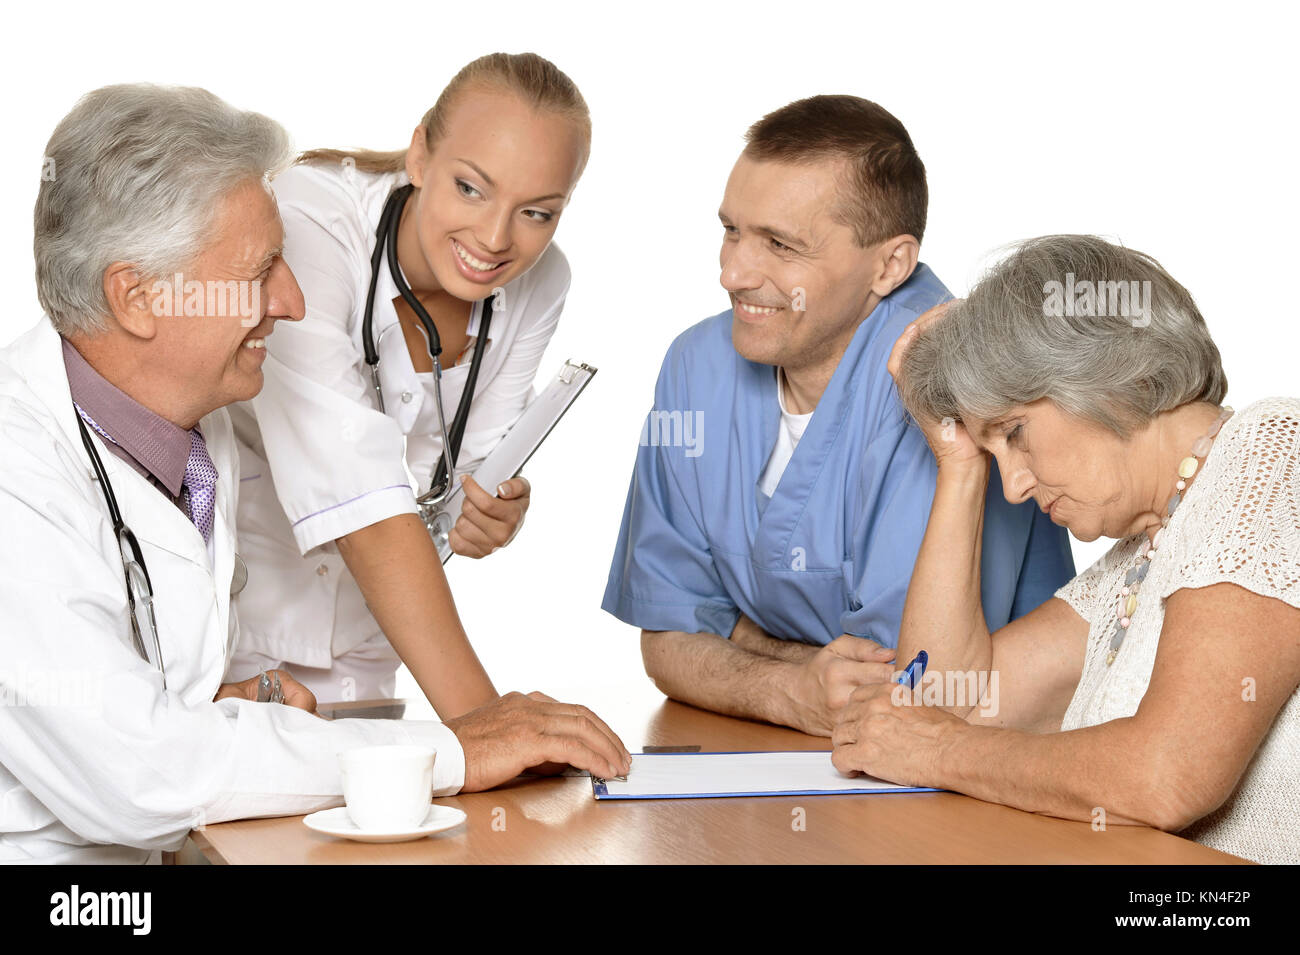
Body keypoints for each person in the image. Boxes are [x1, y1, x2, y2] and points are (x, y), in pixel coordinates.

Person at [0, 83, 628, 864]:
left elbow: (130, 711)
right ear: (136, 296)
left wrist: (207, 709)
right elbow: (143, 774)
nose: (292, 304)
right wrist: (460, 748)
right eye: (263, 270)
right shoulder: (15, 474)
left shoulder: (189, 436)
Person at [602, 95, 1074, 737]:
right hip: (781, 769)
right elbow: (666, 642)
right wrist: (789, 684)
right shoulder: (696, 365)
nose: (732, 273)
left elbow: (910, 691)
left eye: (781, 244)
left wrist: (737, 635)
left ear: (890, 266)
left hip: (974, 783)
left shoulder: (949, 380)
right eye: (732, 230)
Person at [831, 234, 1300, 865]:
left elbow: (1168, 774)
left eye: (1016, 434)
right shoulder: (1139, 555)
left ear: (1098, 374)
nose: (1015, 487)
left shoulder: (1271, 454)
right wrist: (958, 463)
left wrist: (937, 751)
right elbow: (950, 700)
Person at [226, 52, 590, 709]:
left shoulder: (544, 282)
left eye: (537, 212)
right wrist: (484, 721)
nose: (495, 236)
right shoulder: (310, 216)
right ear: (421, 155)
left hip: (371, 646)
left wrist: (487, 514)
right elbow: (354, 484)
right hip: (237, 634)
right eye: (472, 188)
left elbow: (461, 480)